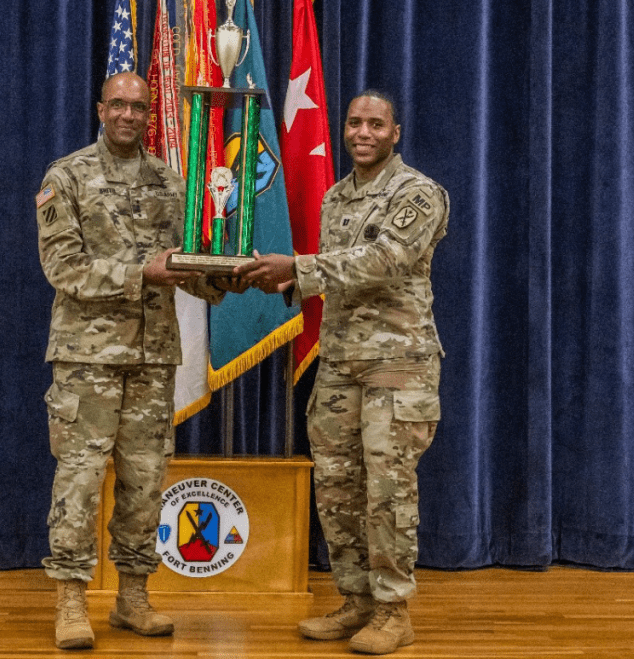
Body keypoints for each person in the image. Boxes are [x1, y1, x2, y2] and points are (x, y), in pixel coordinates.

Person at [34, 71, 243, 650]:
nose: (128, 114)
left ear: (150, 114)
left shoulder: (172, 183)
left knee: (145, 483)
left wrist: (223, 275)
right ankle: (71, 601)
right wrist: (138, 273)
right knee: (77, 482)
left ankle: (132, 598)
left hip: (152, 360)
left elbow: (185, 266)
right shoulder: (66, 177)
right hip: (88, 360)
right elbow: (64, 270)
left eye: (139, 107)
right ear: (100, 108)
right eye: (118, 104)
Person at [235, 91, 449, 655]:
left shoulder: (418, 193)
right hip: (339, 365)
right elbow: (338, 277)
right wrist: (284, 281)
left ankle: (394, 610)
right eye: (354, 122)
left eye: (375, 123)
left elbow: (384, 261)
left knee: (387, 492)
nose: (363, 132)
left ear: (395, 132)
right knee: (336, 489)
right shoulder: (335, 197)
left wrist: (299, 268)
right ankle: (356, 601)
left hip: (395, 368)